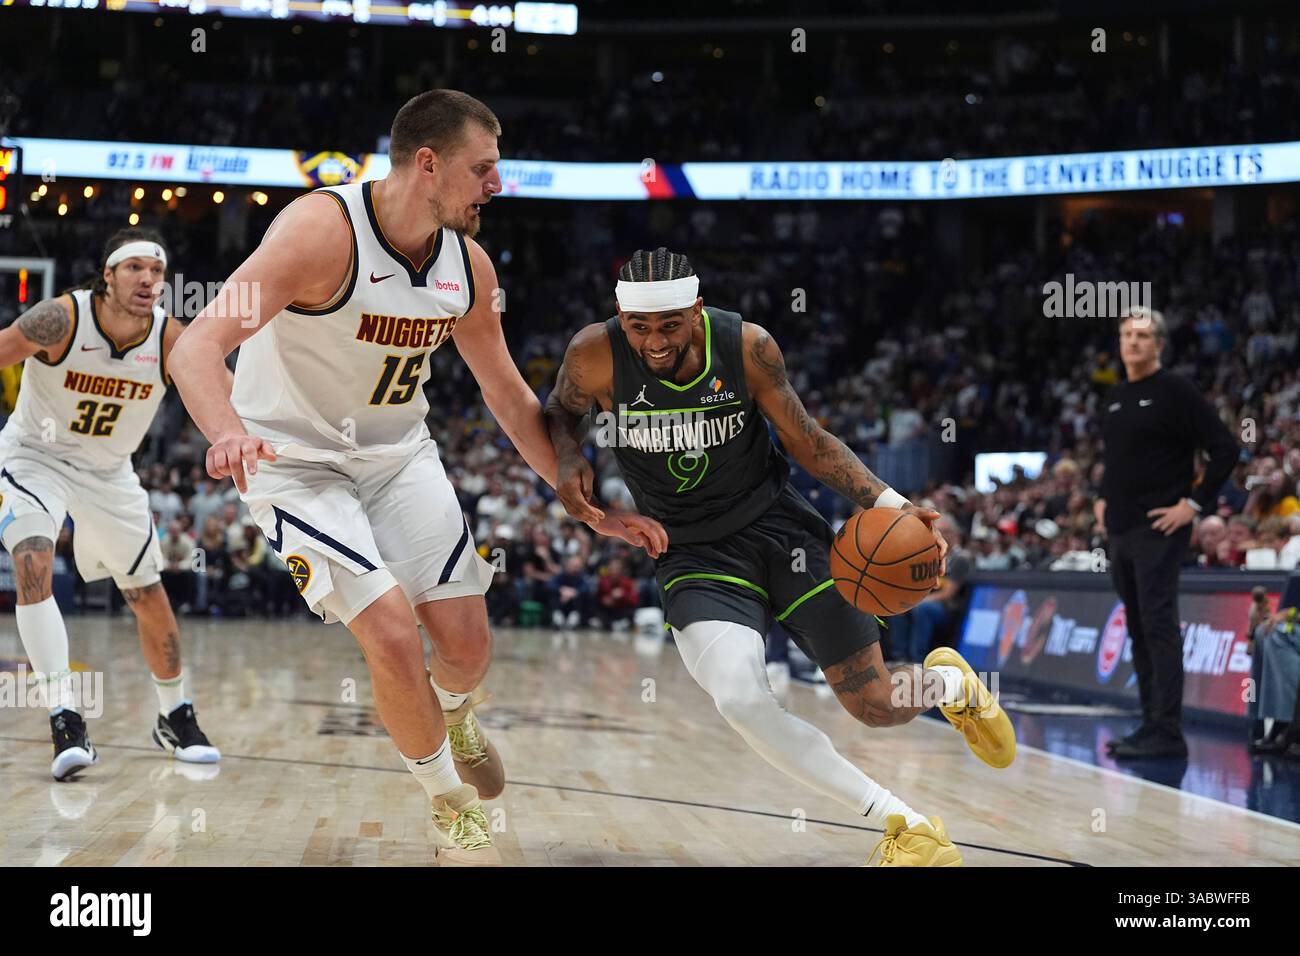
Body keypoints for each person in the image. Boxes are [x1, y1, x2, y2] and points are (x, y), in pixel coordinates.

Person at [169, 90, 665, 864]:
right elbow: (195, 347)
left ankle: (455, 713)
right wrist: (227, 432)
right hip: (295, 465)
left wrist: (588, 509)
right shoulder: (315, 232)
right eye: (484, 169)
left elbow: (507, 395)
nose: (496, 187)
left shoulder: (467, 265)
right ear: (428, 163)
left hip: (400, 458)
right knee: (393, 635)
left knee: (466, 648)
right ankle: (448, 805)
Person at [546, 247, 1016, 867]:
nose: (654, 342)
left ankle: (951, 682)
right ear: (619, 315)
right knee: (741, 699)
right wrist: (566, 456)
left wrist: (896, 504)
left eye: (669, 325)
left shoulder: (747, 347)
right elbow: (559, 412)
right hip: (690, 552)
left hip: (781, 530)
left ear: (696, 308)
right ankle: (904, 824)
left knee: (875, 705)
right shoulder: (593, 354)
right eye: (640, 327)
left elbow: (809, 444)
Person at [0, 228, 220, 780]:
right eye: (135, 269)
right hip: (35, 457)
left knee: (146, 593)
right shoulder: (63, 319)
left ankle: (175, 715)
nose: (148, 280)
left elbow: (220, 389)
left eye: (157, 271)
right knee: (32, 557)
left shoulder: (171, 338)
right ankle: (65, 717)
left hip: (109, 473)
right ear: (108, 274)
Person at [1095, 307, 1238, 759]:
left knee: (1158, 626)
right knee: (1138, 627)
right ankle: (1150, 723)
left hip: (1158, 530)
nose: (1133, 342)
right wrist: (1101, 496)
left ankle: (1167, 731)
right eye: (1126, 334)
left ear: (1159, 343)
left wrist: (1192, 505)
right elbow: (1118, 459)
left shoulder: (1175, 390)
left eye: (1142, 335)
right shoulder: (1114, 396)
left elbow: (1225, 448)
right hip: (1118, 531)